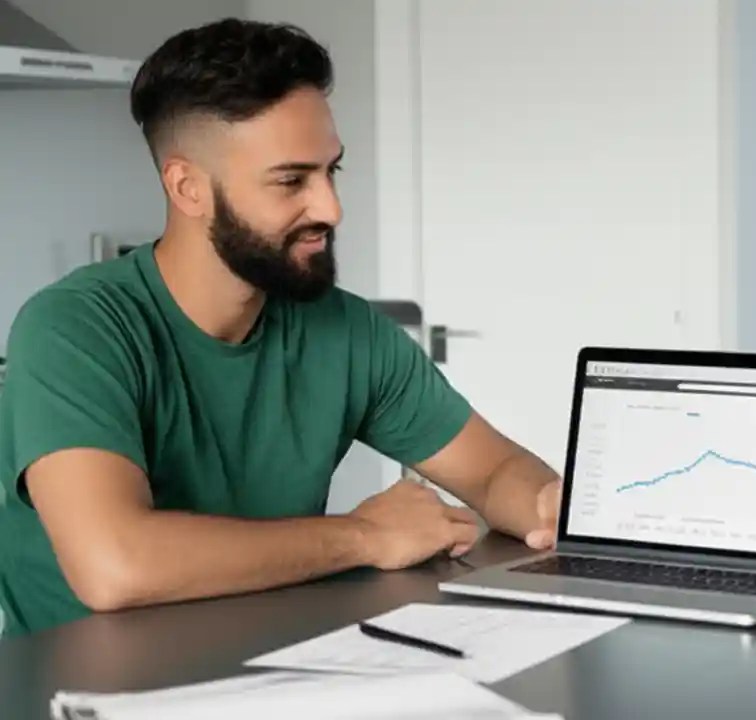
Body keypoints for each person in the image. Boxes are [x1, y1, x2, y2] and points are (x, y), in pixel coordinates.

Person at [0, 18, 562, 636]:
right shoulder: (75, 329)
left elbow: (492, 471)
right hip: (86, 695)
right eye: (292, 181)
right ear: (189, 188)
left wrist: (547, 505)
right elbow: (115, 566)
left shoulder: (347, 331)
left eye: (331, 172)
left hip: (279, 673)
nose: (330, 207)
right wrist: (365, 535)